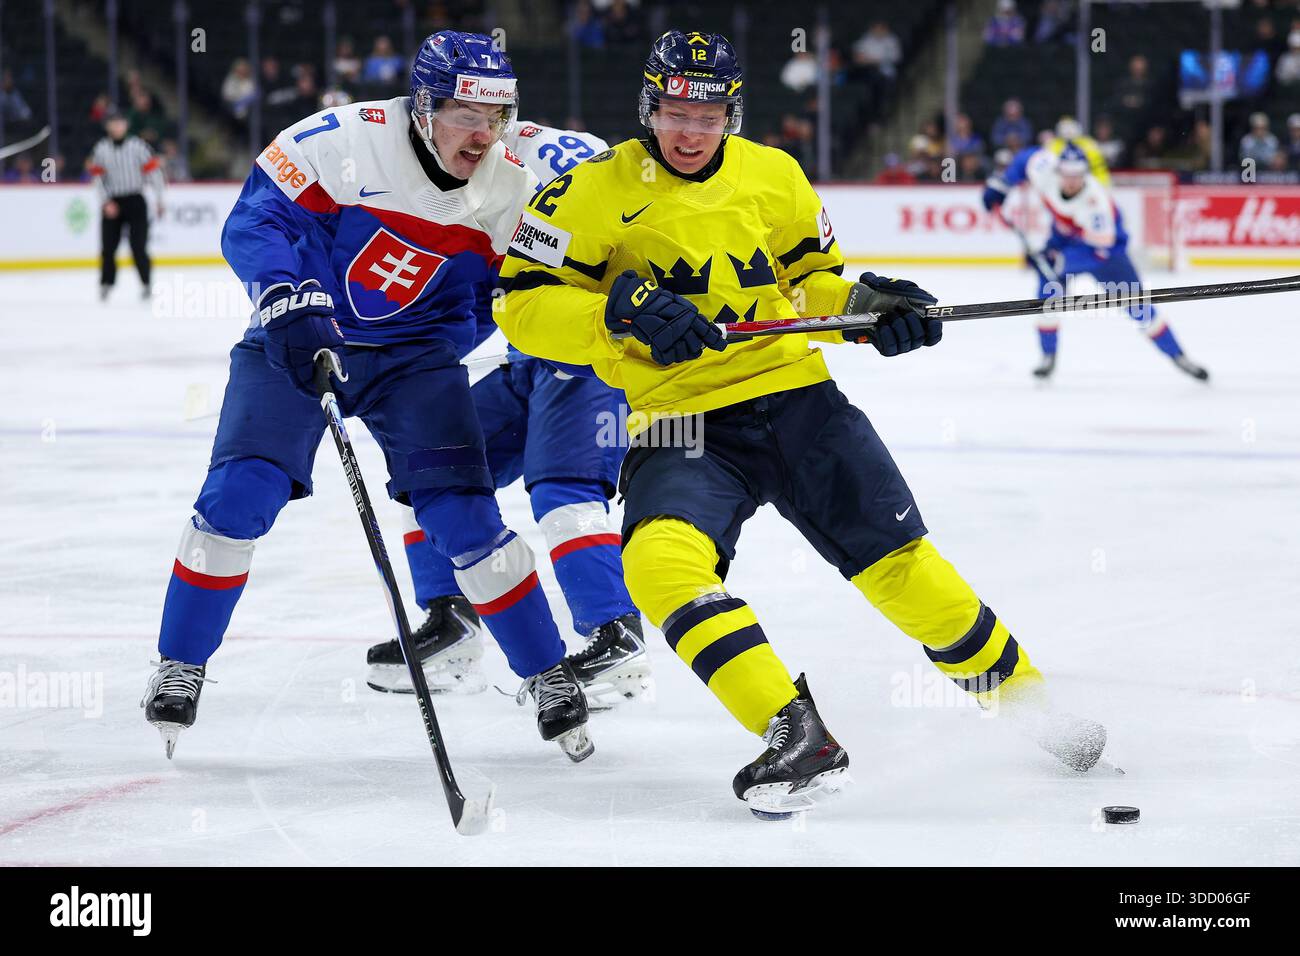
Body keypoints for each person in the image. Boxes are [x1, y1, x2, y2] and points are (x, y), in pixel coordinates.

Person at [498, 29, 1112, 818]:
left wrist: (866, 312)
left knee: (904, 570)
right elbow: (519, 307)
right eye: (675, 111)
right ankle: (796, 733)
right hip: (682, 422)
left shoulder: (774, 174)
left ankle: (1034, 710)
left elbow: (809, 283)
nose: (691, 130)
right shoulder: (588, 192)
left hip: (798, 402)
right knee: (657, 567)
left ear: (733, 114)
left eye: (709, 112)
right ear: (648, 107)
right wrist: (619, 312)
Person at [141, 31, 593, 763]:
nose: (484, 134)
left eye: (498, 116)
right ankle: (180, 661)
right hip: (298, 337)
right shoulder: (340, 142)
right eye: (465, 115)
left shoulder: (516, 188)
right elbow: (258, 220)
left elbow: (533, 291)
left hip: (415, 361)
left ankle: (547, 674)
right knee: (238, 495)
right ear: (421, 107)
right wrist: (287, 296)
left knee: (466, 516)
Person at [365, 116, 650, 709]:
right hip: (531, 357)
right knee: (433, 467)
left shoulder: (503, 165)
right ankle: (453, 623)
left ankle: (616, 635)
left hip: (590, 354)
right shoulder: (500, 151)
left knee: (564, 488)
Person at [983, 142, 1209, 381]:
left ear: (1086, 174)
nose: (1071, 181)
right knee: (1047, 299)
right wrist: (1001, 185)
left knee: (1137, 306)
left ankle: (1178, 355)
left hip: (1108, 255)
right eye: (1067, 175)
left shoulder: (1097, 204)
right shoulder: (1045, 170)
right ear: (1058, 171)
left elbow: (1097, 252)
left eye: (1077, 176)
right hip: (1065, 240)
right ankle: (1047, 356)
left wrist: (1058, 262)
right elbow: (1025, 158)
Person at [88, 110, 164, 301]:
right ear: (107, 126)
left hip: (135, 200)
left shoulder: (138, 146)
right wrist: (106, 202)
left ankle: (146, 283)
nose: (117, 127)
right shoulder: (101, 148)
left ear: (126, 125)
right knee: (108, 247)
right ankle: (106, 283)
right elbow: (97, 178)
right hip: (112, 201)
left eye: (120, 122)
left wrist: (159, 199)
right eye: (113, 123)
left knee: (138, 245)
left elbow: (154, 173)